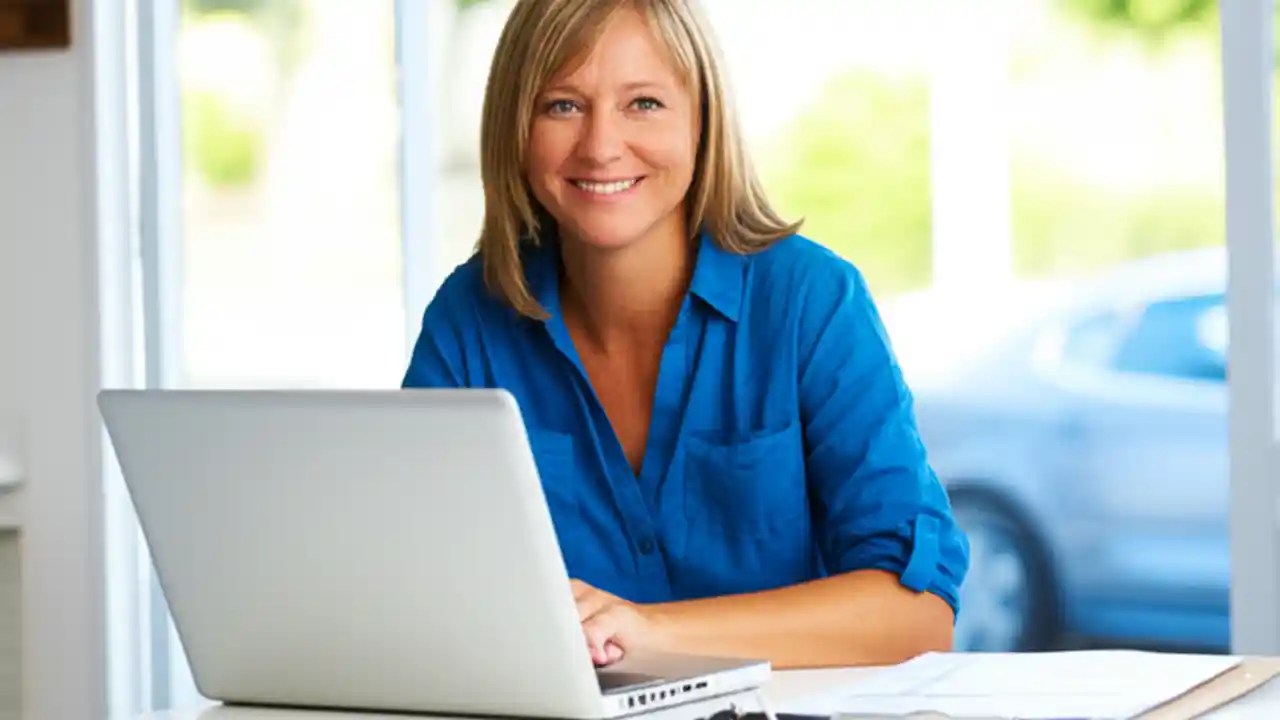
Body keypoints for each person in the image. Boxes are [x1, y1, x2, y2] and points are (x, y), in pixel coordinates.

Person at [403, 0, 969, 669]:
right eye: (562, 105)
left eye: (643, 103)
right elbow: (414, 588)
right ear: (515, 127)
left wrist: (650, 630)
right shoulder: (469, 321)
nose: (601, 145)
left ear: (704, 121)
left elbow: (917, 613)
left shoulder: (809, 303)